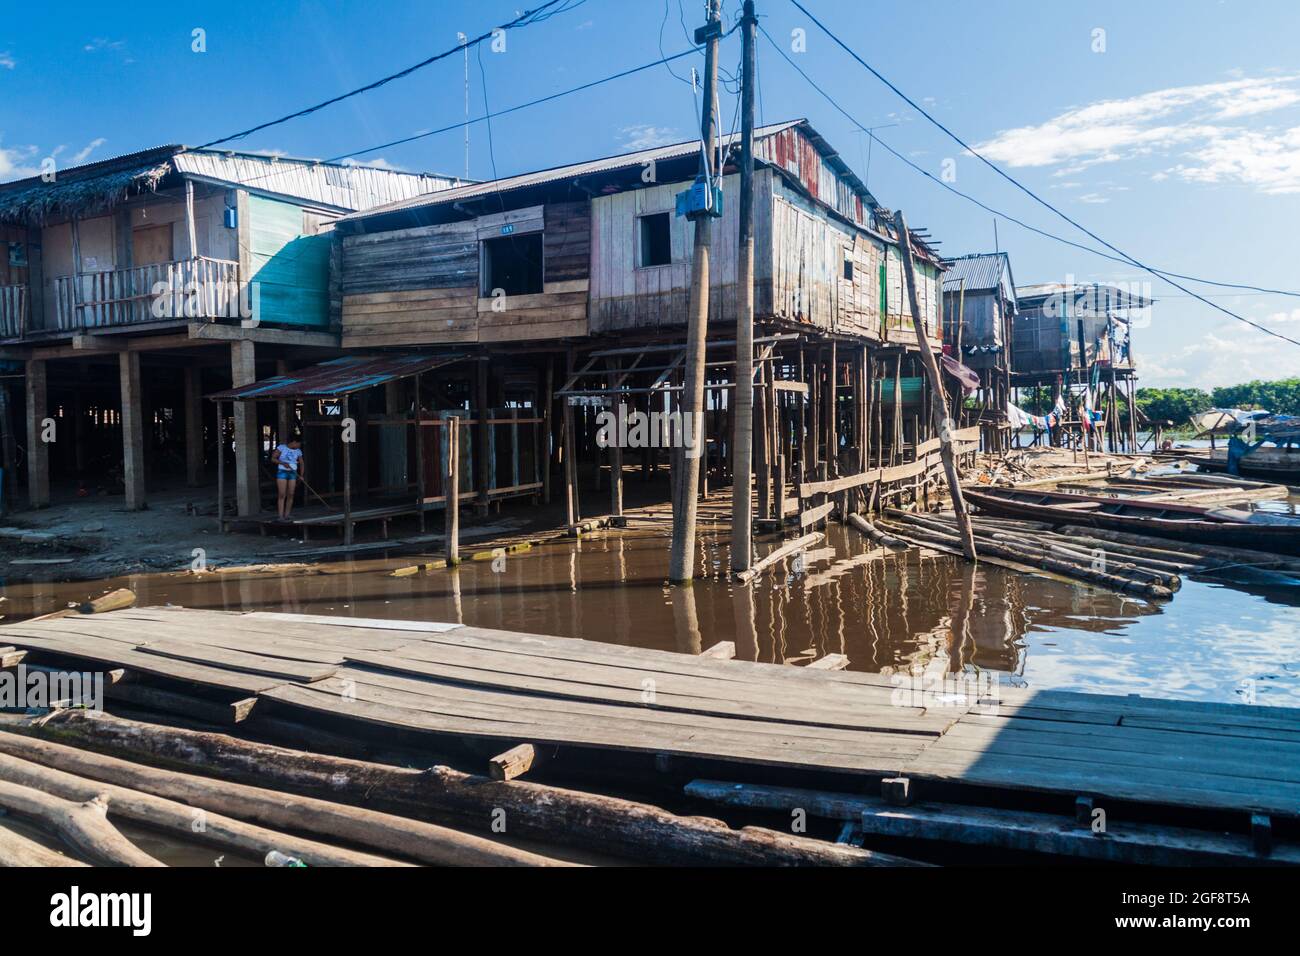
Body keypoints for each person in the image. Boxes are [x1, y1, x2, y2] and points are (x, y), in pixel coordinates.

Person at [271, 436, 305, 521]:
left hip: (293, 473)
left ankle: (287, 515)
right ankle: (280, 516)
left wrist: (301, 475)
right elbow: (273, 458)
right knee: (282, 494)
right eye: (298, 444)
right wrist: (282, 463)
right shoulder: (282, 447)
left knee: (291, 494)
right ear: (294, 442)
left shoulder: (298, 451)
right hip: (282, 472)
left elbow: (301, 463)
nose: (299, 446)